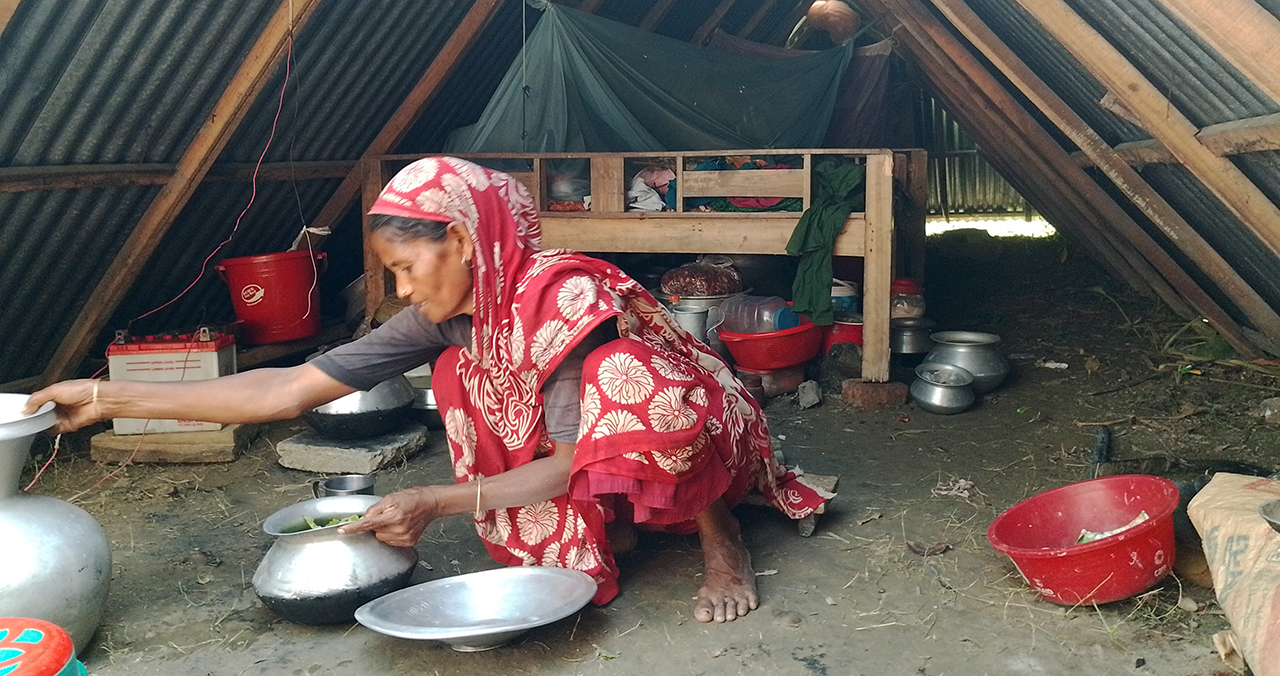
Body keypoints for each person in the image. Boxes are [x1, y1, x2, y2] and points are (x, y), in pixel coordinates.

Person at [25, 156, 829, 624]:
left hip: (700, 421)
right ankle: (616, 517)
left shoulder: (567, 303)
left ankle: (720, 538)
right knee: (461, 378)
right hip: (592, 439)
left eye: (408, 268)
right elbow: (284, 391)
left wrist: (436, 500)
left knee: (629, 383)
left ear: (462, 241)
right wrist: (107, 400)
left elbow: (576, 454)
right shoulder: (445, 317)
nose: (404, 289)